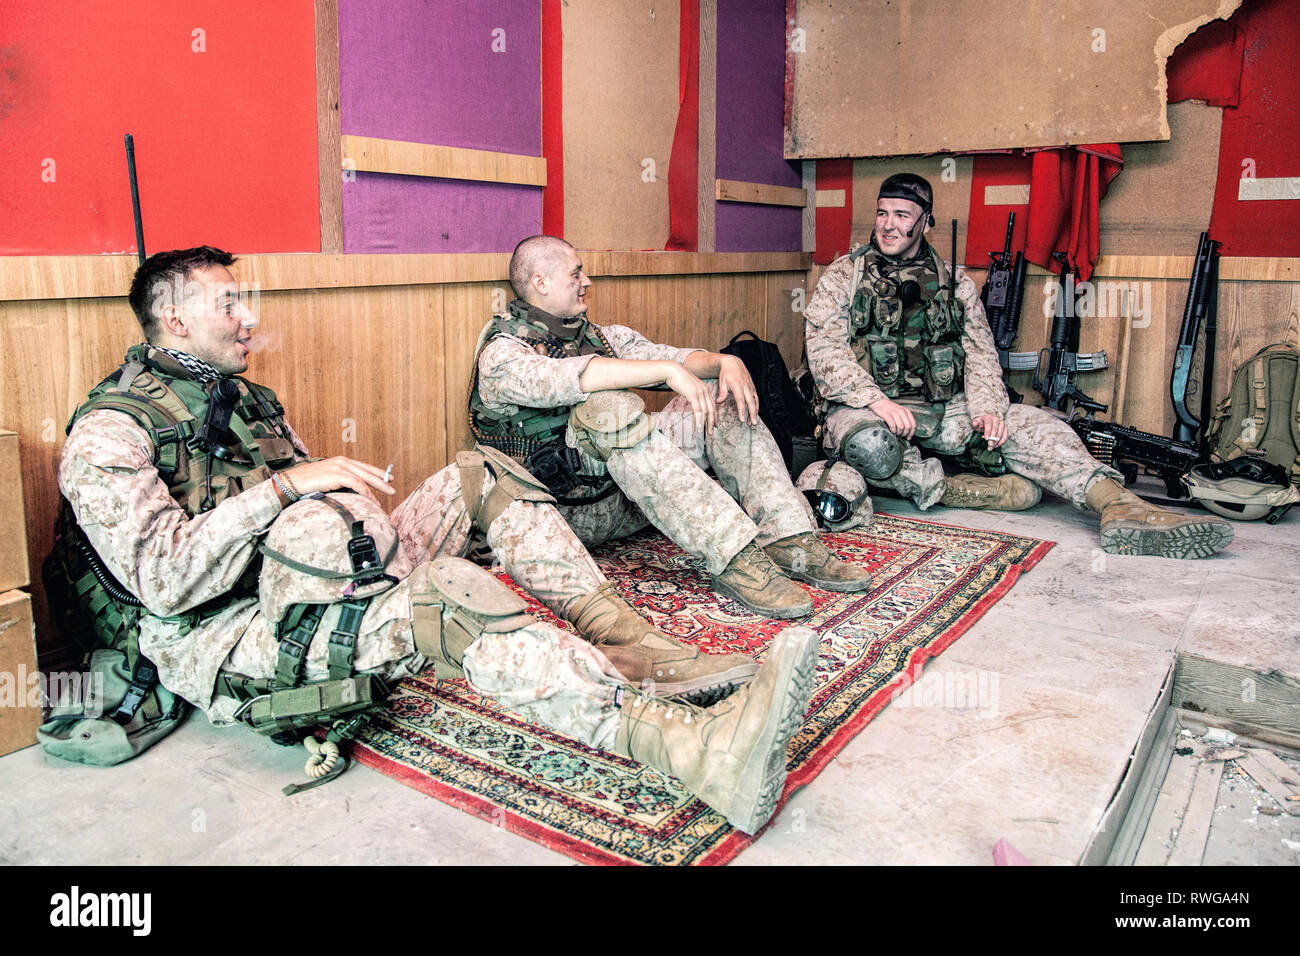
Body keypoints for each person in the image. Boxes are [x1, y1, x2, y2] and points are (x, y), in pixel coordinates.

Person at [49, 246, 819, 833]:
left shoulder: (246, 397)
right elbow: (161, 581)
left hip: (318, 586)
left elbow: (311, 528)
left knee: (477, 472)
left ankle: (631, 643)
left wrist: (341, 517)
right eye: (229, 304)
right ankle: (695, 750)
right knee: (452, 600)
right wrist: (285, 490)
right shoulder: (110, 432)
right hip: (231, 638)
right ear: (173, 319)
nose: (248, 317)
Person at [803, 173, 1233, 559]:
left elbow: (981, 354)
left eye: (901, 214)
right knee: (870, 448)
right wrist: (877, 402)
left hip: (942, 410)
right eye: (882, 213)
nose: (887, 224)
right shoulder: (845, 275)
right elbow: (825, 352)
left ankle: (1120, 506)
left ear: (926, 222)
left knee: (1037, 426)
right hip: (864, 412)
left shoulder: (955, 284)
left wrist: (988, 409)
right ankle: (951, 488)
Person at [470, 235, 874, 625]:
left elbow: (669, 355)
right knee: (609, 409)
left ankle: (787, 537)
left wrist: (721, 362)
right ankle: (734, 557)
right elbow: (568, 377)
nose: (587, 282)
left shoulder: (600, 337)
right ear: (539, 283)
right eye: (576, 274)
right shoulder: (502, 354)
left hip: (620, 501)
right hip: (559, 519)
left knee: (718, 392)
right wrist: (667, 372)